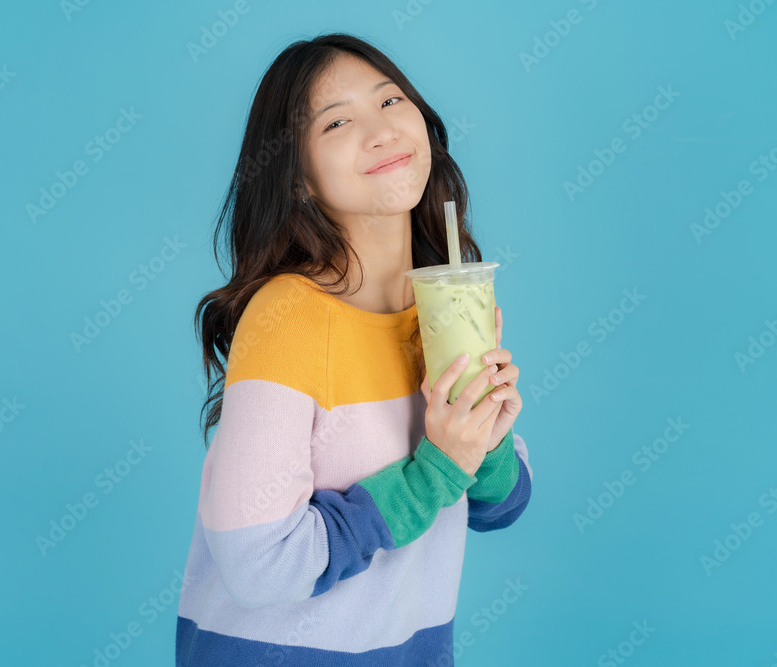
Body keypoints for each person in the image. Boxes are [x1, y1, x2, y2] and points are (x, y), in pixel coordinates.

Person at [179, 32, 533, 666]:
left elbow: (500, 507)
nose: (381, 131)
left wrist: (487, 433)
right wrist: (437, 468)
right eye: (337, 121)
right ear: (299, 182)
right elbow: (259, 568)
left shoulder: (446, 305)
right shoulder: (289, 316)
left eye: (392, 102)